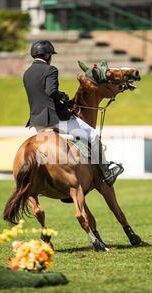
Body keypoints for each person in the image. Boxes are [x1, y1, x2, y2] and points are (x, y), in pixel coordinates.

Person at [23, 40, 123, 186]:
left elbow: (41, 96)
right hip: (55, 119)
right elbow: (51, 92)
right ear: (46, 55)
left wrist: (64, 102)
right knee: (92, 135)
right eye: (50, 54)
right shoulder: (51, 70)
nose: (51, 57)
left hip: (37, 121)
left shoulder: (27, 73)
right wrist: (63, 97)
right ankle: (106, 171)